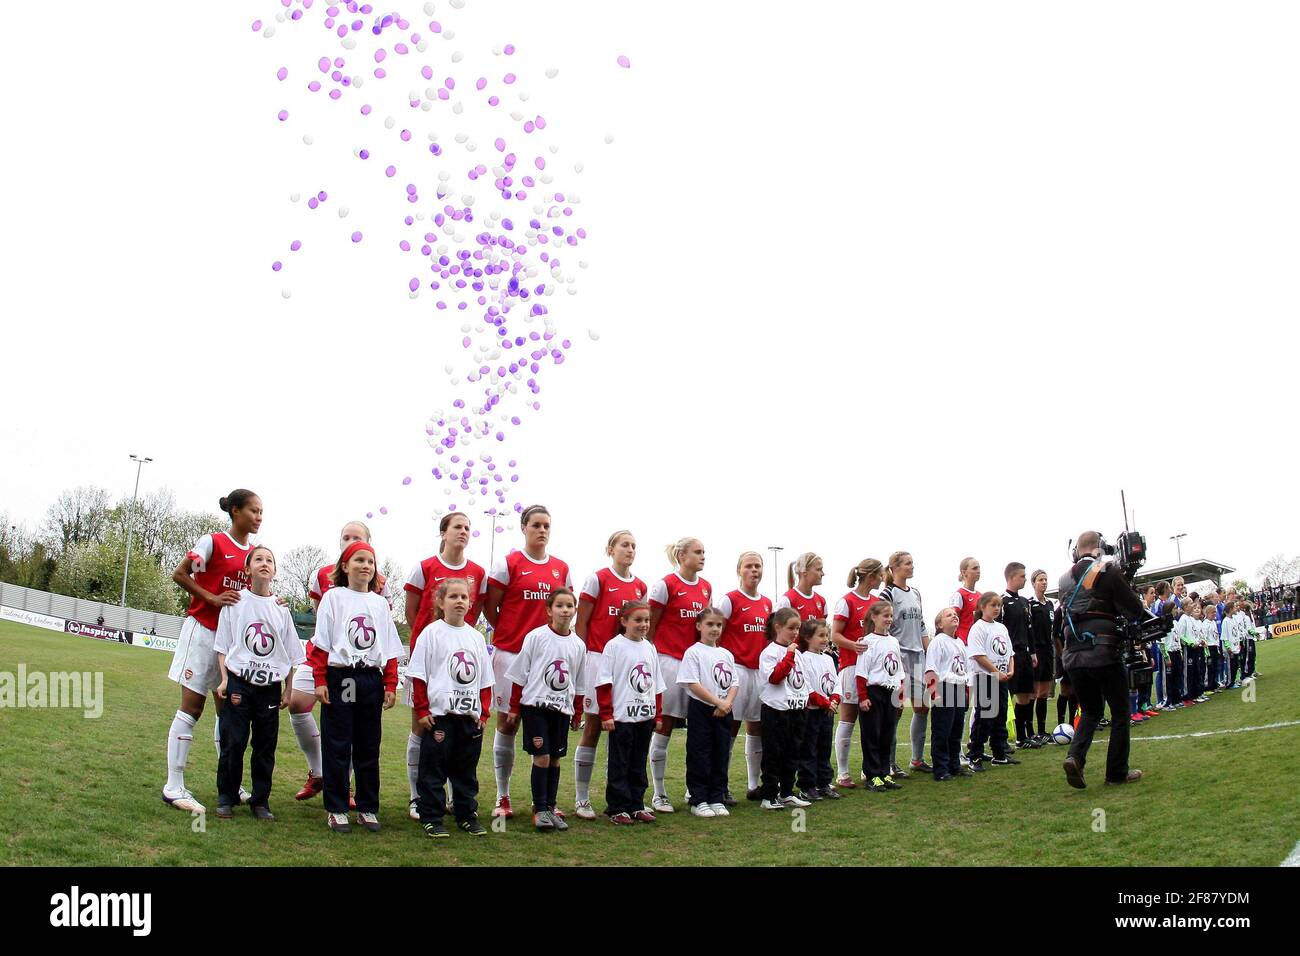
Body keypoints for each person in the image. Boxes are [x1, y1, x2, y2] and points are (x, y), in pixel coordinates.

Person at [162, 488, 260, 814]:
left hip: (229, 643)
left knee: (228, 715)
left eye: (261, 512)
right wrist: (212, 598)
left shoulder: (255, 552)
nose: (259, 517)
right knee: (192, 708)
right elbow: (179, 574)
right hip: (202, 632)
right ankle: (173, 786)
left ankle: (228, 785)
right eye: (253, 510)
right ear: (235, 511)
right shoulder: (214, 541)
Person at [482, 504, 572, 820]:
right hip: (511, 654)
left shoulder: (561, 567)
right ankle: (502, 796)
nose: (542, 530)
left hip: (547, 663)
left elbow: (565, 608)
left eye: (547, 525)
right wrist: (509, 633)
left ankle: (543, 800)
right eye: (536, 525)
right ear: (524, 527)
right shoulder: (509, 564)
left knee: (550, 726)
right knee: (508, 722)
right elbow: (489, 609)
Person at [307, 540, 403, 833]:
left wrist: (389, 683)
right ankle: (336, 808)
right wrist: (320, 680)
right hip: (344, 677)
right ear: (345, 566)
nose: (365, 566)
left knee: (368, 745)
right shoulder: (334, 598)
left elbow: (388, 648)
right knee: (338, 743)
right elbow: (321, 643)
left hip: (370, 679)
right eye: (359, 560)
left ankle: (367, 807)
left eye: (370, 562)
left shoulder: (380, 604)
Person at [291, 520, 387, 806]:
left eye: (357, 537)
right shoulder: (324, 577)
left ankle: (345, 789)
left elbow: (378, 630)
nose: (350, 540)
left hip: (361, 666)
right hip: (327, 658)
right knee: (298, 703)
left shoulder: (378, 584)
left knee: (355, 729)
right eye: (345, 537)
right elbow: (324, 623)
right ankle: (318, 771)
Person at [402, 512, 486, 819]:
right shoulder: (424, 568)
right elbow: (412, 614)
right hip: (428, 660)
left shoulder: (478, 572)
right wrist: (431, 643)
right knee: (422, 728)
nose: (463, 532)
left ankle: (453, 796)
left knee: (458, 733)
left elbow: (476, 613)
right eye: (457, 527)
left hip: (460, 665)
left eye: (467, 527)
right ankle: (417, 796)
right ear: (443, 533)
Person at [212, 545, 303, 821]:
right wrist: (225, 679)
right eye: (258, 559)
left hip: (269, 689)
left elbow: (290, 654)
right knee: (234, 742)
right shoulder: (235, 603)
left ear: (274, 570)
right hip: (240, 684)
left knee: (265, 747)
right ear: (248, 568)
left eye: (270, 560)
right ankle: (226, 797)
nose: (264, 563)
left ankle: (260, 801)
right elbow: (223, 646)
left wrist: (288, 688)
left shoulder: (281, 609)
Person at [1058, 531, 1152, 789]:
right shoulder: (1107, 571)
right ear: (1099, 548)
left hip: (1074, 656)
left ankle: (1075, 757)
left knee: (1090, 710)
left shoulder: (1064, 579)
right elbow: (1133, 609)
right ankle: (1116, 773)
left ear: (1077, 551)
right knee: (1121, 713)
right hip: (1104, 652)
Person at [406, 577, 493, 839]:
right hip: (440, 718)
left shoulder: (476, 638)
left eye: (464, 597)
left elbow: (485, 681)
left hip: (468, 717)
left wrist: (484, 712)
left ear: (470, 604)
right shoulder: (431, 634)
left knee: (466, 771)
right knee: (433, 770)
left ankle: (466, 815)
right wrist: (422, 710)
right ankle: (431, 816)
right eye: (453, 596)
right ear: (440, 602)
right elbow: (419, 676)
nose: (459, 601)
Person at [573, 530, 646, 820]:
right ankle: (581, 798)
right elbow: (583, 622)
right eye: (624, 545)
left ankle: (627, 798)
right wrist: (583, 655)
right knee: (593, 726)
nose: (630, 550)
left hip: (628, 664)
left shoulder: (640, 585)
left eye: (633, 546)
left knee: (628, 729)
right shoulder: (598, 579)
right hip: (598, 657)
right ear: (611, 549)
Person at [503, 588, 586, 833]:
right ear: (549, 610)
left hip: (562, 710)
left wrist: (577, 713)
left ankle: (550, 806)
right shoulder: (536, 637)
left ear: (575, 610)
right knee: (542, 757)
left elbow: (579, 682)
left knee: (556, 758)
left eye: (569, 606)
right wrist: (514, 707)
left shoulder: (578, 644)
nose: (565, 610)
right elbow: (520, 674)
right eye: (559, 606)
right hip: (536, 707)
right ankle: (539, 809)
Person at [646, 537, 713, 813]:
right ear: (682, 555)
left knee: (699, 728)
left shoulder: (707, 587)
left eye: (704, 552)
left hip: (696, 663)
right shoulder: (665, 585)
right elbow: (651, 625)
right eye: (698, 552)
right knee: (664, 725)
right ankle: (659, 793)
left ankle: (694, 789)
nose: (702, 556)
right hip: (669, 661)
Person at [595, 601, 663, 825]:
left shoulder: (649, 647)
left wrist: (658, 714)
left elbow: (656, 684)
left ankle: (636, 803)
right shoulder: (614, 646)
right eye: (638, 620)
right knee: (619, 762)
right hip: (622, 717)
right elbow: (604, 682)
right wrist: (606, 713)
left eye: (647, 620)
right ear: (624, 621)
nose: (643, 624)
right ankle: (617, 807)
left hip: (645, 716)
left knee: (638, 761)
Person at [717, 551, 772, 801]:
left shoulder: (767, 603)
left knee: (757, 726)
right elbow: (715, 633)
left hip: (758, 672)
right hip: (736, 669)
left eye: (758, 566)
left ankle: (753, 784)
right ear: (739, 570)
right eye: (749, 566)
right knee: (730, 726)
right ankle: (721, 784)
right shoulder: (729, 600)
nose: (754, 570)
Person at [678, 607, 737, 819]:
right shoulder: (693, 652)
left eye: (718, 625)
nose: (714, 629)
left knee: (721, 754)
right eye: (710, 624)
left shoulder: (726, 654)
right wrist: (717, 702)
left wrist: (727, 703)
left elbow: (734, 682)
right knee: (700, 754)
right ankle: (699, 799)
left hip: (724, 710)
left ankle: (716, 797)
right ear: (699, 626)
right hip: (702, 709)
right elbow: (692, 683)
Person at [831, 558, 882, 788]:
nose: (883, 578)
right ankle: (842, 773)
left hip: (873, 671)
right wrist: (854, 646)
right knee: (848, 718)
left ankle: (868, 769)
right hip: (851, 667)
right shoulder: (846, 601)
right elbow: (835, 635)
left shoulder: (876, 602)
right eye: (880, 574)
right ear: (871, 576)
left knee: (871, 721)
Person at [880, 551, 930, 775]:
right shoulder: (888, 593)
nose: (912, 567)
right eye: (908, 563)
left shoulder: (916, 593)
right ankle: (889, 764)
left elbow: (921, 625)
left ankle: (917, 759)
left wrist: (930, 651)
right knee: (896, 710)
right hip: (899, 657)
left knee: (922, 707)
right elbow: (882, 626)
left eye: (912, 563)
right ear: (895, 568)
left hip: (918, 655)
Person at [757, 607, 810, 809]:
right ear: (778, 627)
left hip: (796, 710)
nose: (795, 633)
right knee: (774, 754)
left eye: (798, 628)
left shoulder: (799, 653)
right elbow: (775, 677)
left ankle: (787, 792)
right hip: (775, 711)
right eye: (791, 628)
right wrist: (788, 656)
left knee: (793, 753)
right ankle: (769, 795)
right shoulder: (770, 652)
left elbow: (803, 681)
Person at [854, 601, 904, 792]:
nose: (889, 619)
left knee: (887, 734)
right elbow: (861, 672)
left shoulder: (894, 641)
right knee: (872, 734)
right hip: (874, 692)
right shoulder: (867, 642)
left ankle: (885, 773)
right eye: (885, 615)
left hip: (891, 692)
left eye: (891, 615)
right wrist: (863, 696)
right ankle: (872, 775)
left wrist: (900, 695)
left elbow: (899, 671)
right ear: (874, 618)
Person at [966, 592, 1018, 769]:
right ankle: (975, 755)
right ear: (982, 607)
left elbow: (1010, 653)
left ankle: (999, 753)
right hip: (986, 677)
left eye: (999, 605)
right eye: (993, 605)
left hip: (1002, 678)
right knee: (985, 716)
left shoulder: (1001, 628)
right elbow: (978, 655)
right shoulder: (978, 628)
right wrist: (996, 672)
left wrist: (1010, 669)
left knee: (1001, 714)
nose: (997, 609)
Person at [795, 618, 839, 802]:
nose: (825, 639)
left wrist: (835, 700)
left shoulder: (829, 659)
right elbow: (807, 687)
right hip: (812, 711)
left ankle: (824, 782)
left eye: (826, 635)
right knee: (809, 749)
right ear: (807, 637)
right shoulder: (803, 658)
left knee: (824, 747)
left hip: (827, 711)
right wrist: (824, 702)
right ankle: (807, 785)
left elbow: (836, 683)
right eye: (820, 635)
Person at [924, 607, 969, 781]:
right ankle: (941, 768)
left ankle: (954, 764)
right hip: (944, 688)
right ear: (940, 624)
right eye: (948, 615)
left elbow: (964, 670)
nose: (954, 616)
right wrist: (934, 693)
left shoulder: (959, 642)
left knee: (956, 730)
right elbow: (931, 669)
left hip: (958, 687)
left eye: (955, 614)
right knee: (942, 730)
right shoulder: (938, 642)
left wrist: (966, 691)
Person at [1000, 563, 1039, 749]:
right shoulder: (1002, 602)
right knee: (1014, 696)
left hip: (1025, 654)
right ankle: (1015, 737)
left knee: (1029, 694)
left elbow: (1030, 629)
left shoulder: (1025, 602)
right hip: (1011, 656)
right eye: (1022, 576)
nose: (1025, 579)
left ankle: (1026, 734)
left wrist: (1033, 652)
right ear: (1011, 577)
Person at [1028, 570, 1057, 743]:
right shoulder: (1030, 604)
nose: (1044, 582)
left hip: (1048, 651)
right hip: (1036, 651)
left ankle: (1042, 730)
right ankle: (1030, 731)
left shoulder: (1050, 604)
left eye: (1046, 579)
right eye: (1040, 580)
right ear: (1033, 583)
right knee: (1033, 692)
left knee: (1044, 692)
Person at [777, 552, 828, 621]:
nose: (822, 574)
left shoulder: (821, 601)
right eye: (818, 569)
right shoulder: (787, 600)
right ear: (804, 572)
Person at [950, 557, 981, 643]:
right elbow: (953, 619)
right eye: (974, 568)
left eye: (979, 568)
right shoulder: (959, 594)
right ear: (964, 572)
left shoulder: (980, 596)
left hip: (978, 642)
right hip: (964, 642)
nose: (978, 571)